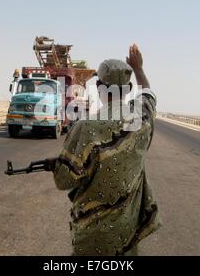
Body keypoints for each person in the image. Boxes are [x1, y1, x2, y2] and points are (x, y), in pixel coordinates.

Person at [46, 44, 161, 256]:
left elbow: (64, 181)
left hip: (93, 236)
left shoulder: (86, 127)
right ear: (128, 89)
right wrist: (139, 69)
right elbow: (148, 94)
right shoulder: (142, 117)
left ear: (99, 87)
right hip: (128, 235)